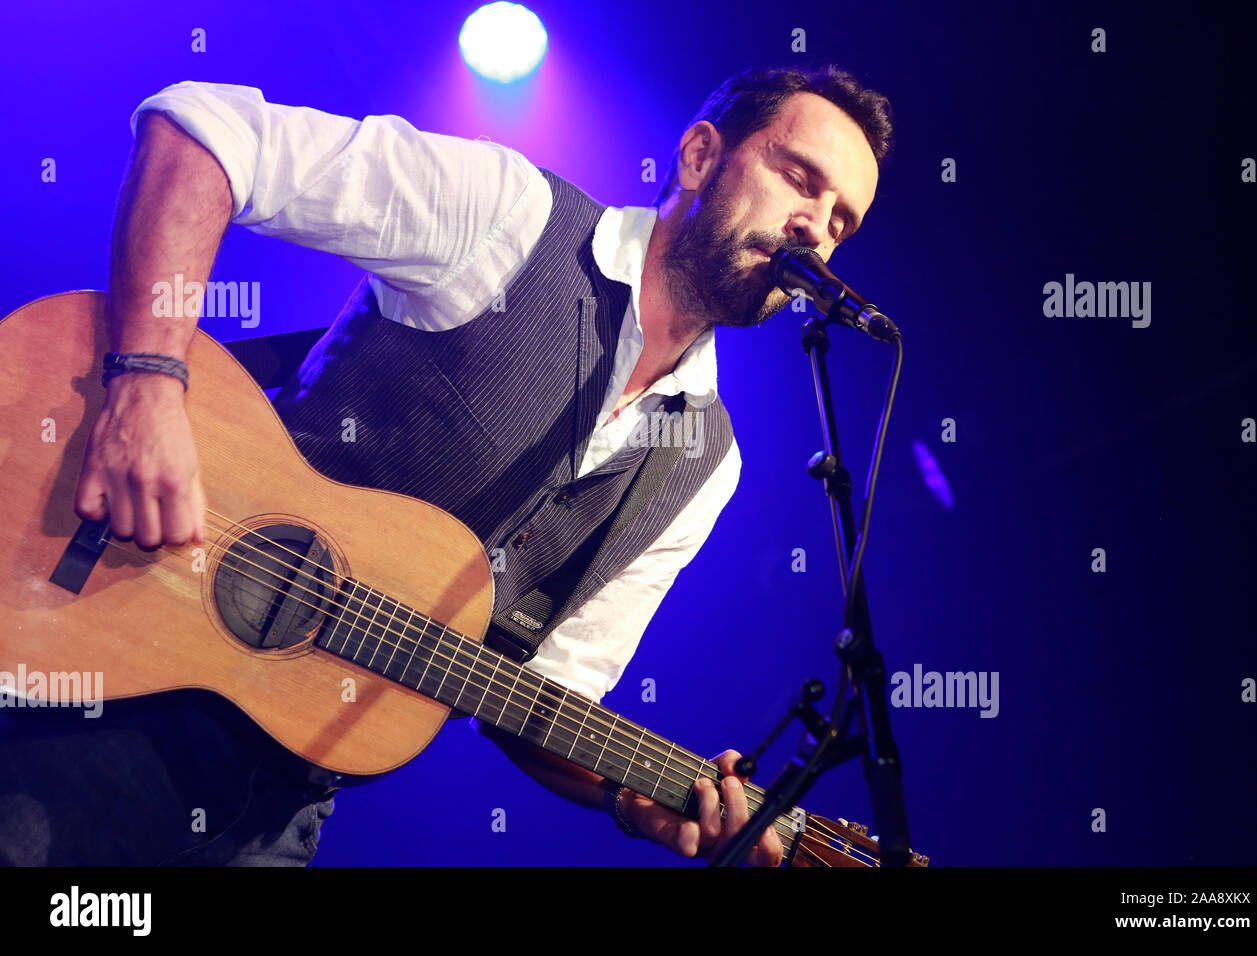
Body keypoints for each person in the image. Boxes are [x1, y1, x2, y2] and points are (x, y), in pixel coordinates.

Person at [0, 64, 892, 866]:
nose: (814, 224)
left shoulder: (705, 467)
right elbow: (202, 129)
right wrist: (147, 385)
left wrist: (636, 798)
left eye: (842, 219)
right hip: (102, 662)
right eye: (798, 177)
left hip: (270, 814)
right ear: (700, 156)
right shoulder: (512, 216)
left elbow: (546, 698)